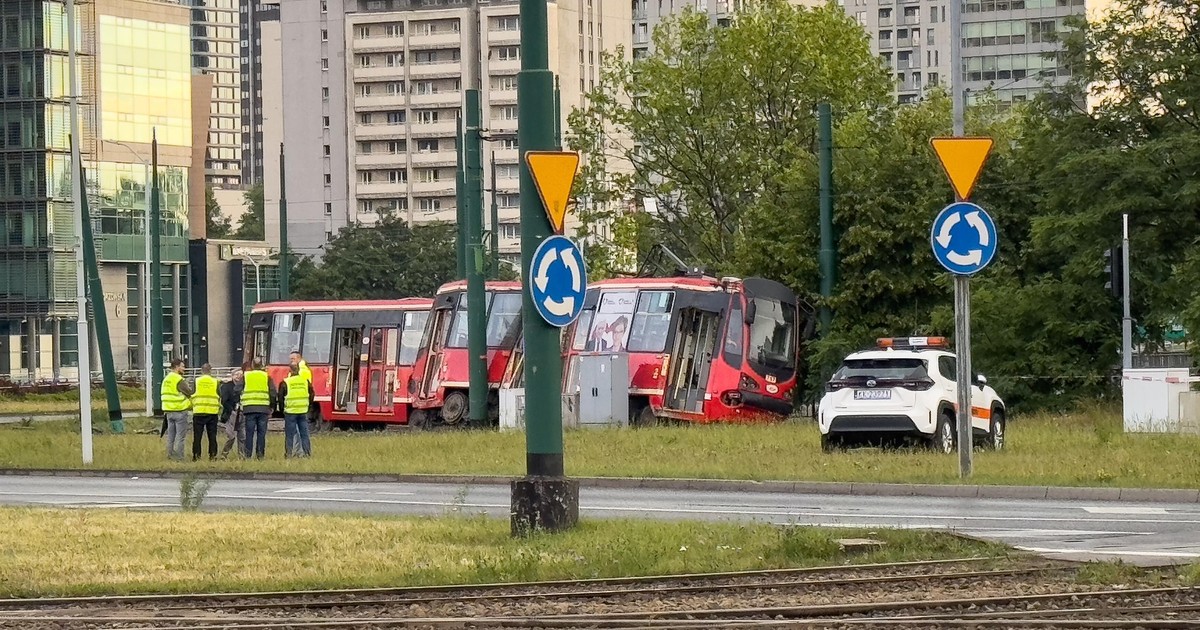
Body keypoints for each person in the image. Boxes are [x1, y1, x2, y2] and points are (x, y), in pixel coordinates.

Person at [241, 361, 277, 460]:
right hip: (263, 409)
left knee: (249, 433)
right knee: (261, 433)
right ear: (261, 366)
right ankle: (260, 456)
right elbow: (273, 393)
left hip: (249, 408)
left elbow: (237, 389)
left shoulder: (246, 376)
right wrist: (272, 407)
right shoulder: (266, 377)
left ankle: (247, 455)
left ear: (252, 365)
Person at [279, 363, 315, 458]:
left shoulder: (285, 382)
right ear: (299, 370)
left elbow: (281, 398)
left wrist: (283, 410)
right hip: (303, 411)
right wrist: (308, 406)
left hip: (290, 412)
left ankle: (289, 454)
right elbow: (312, 394)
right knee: (304, 433)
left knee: (290, 434)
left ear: (290, 371)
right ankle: (307, 453)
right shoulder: (305, 381)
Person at [160, 358, 194, 461]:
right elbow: (189, 392)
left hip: (169, 412)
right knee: (180, 437)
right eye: (182, 366)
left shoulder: (166, 379)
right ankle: (179, 458)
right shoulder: (178, 379)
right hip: (180, 410)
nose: (184, 368)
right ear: (176, 367)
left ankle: (170, 456)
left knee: (171, 437)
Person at [191, 364, 221, 461]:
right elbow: (220, 395)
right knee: (212, 436)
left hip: (199, 412)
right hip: (212, 412)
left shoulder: (197, 381)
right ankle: (212, 455)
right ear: (210, 370)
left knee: (197, 436)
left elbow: (192, 393)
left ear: (201, 370)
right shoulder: (215, 381)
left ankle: (196, 456)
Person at [218, 368, 246, 459]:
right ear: (232, 375)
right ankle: (224, 454)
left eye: (240, 374)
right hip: (231, 413)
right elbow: (224, 400)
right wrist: (232, 410)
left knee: (242, 436)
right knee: (231, 436)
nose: (239, 376)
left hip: (243, 412)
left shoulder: (245, 385)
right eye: (236, 374)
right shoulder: (227, 386)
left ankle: (241, 456)